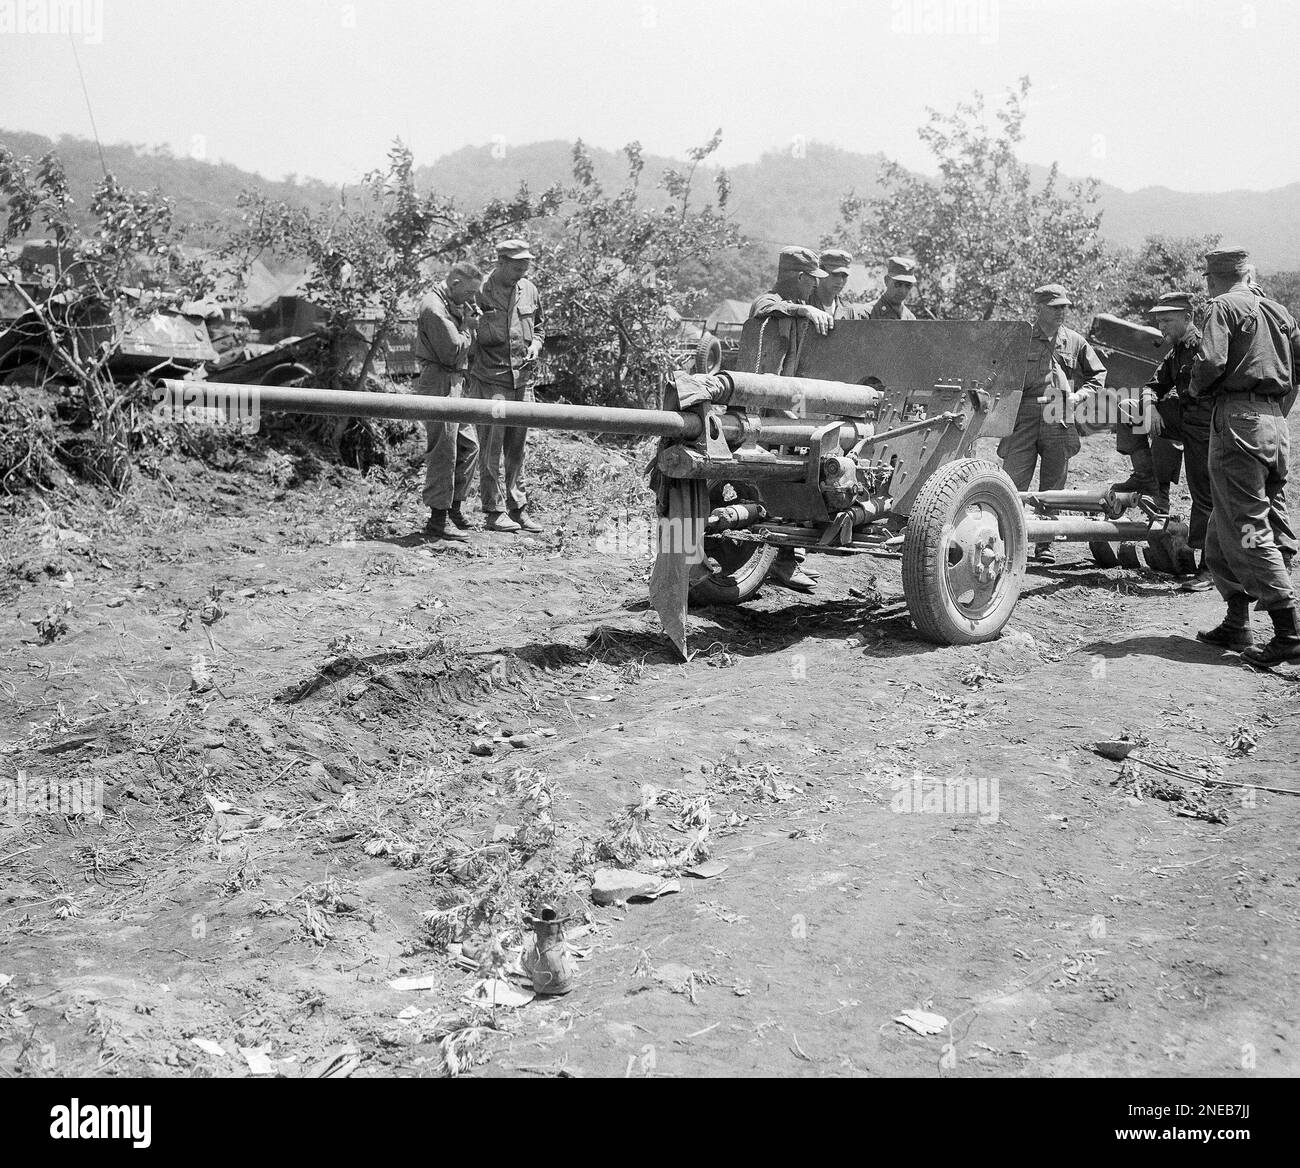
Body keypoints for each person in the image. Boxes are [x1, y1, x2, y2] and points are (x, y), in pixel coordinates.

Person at [1190, 247, 1300, 666]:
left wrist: (1198, 390)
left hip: (1237, 423)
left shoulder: (1222, 307)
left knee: (1249, 527)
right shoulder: (1278, 310)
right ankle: (1237, 620)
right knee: (1223, 523)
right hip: (1275, 423)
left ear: (1212, 278)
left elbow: (1209, 364)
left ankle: (1287, 631)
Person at [1111, 291, 1214, 589]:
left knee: (1204, 496)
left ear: (1188, 318)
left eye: (1167, 321)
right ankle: (1146, 479)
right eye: (1159, 322)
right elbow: (1152, 385)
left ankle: (1208, 568)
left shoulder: (1205, 347)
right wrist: (1151, 407)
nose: (1162, 328)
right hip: (1180, 418)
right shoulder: (1176, 351)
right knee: (1127, 408)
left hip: (1205, 427)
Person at [998, 283, 1107, 563]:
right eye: (1055, 307)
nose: (1062, 312)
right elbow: (998, 373)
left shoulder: (1074, 341)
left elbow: (1098, 375)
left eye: (1064, 307)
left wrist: (1079, 396)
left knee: (1053, 485)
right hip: (1023, 412)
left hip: (1058, 412)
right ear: (1039, 308)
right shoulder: (1019, 339)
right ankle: (1007, 540)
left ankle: (1044, 544)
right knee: (1012, 481)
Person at [747, 246, 833, 592]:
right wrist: (803, 309)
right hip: (761, 406)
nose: (815, 287)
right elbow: (763, 308)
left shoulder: (803, 313)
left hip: (789, 399)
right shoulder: (772, 304)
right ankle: (774, 562)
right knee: (769, 482)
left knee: (800, 468)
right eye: (812, 280)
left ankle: (787, 561)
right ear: (799, 277)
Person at [468, 239, 545, 533]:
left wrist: (536, 345)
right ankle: (493, 511)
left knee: (517, 449)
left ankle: (518, 509)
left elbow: (540, 328)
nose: (520, 274)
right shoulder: (479, 290)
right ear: (499, 262)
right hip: (491, 381)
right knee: (491, 446)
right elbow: (466, 332)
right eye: (515, 268)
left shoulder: (530, 289)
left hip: (522, 382)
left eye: (525, 268)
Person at [413, 261, 483, 542]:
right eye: (469, 292)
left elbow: (463, 351)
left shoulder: (450, 304)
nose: (472, 299)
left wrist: (467, 324)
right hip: (439, 380)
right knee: (444, 450)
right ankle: (437, 521)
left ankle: (453, 508)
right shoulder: (433, 308)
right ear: (455, 284)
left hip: (454, 381)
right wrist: (467, 327)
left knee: (469, 446)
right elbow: (452, 352)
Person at [810, 248, 859, 320]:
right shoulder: (804, 304)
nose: (840, 281)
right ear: (820, 273)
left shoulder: (848, 311)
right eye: (835, 274)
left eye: (844, 276)